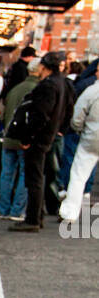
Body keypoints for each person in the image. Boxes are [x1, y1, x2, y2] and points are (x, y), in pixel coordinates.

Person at [9, 51, 68, 232]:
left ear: (44, 67)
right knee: (40, 177)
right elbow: (67, 109)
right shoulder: (62, 84)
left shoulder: (48, 86)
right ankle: (36, 216)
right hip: (49, 134)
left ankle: (33, 218)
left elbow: (40, 115)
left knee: (33, 178)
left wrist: (27, 138)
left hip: (39, 137)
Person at [0, 56, 39, 219]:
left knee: (7, 174)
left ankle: (4, 209)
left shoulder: (15, 89)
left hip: (9, 137)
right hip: (24, 140)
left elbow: (4, 112)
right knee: (24, 174)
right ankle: (16, 210)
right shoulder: (37, 90)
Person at [59, 63, 99, 224]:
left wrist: (80, 129)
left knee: (78, 175)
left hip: (91, 137)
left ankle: (70, 212)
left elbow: (77, 117)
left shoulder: (91, 91)